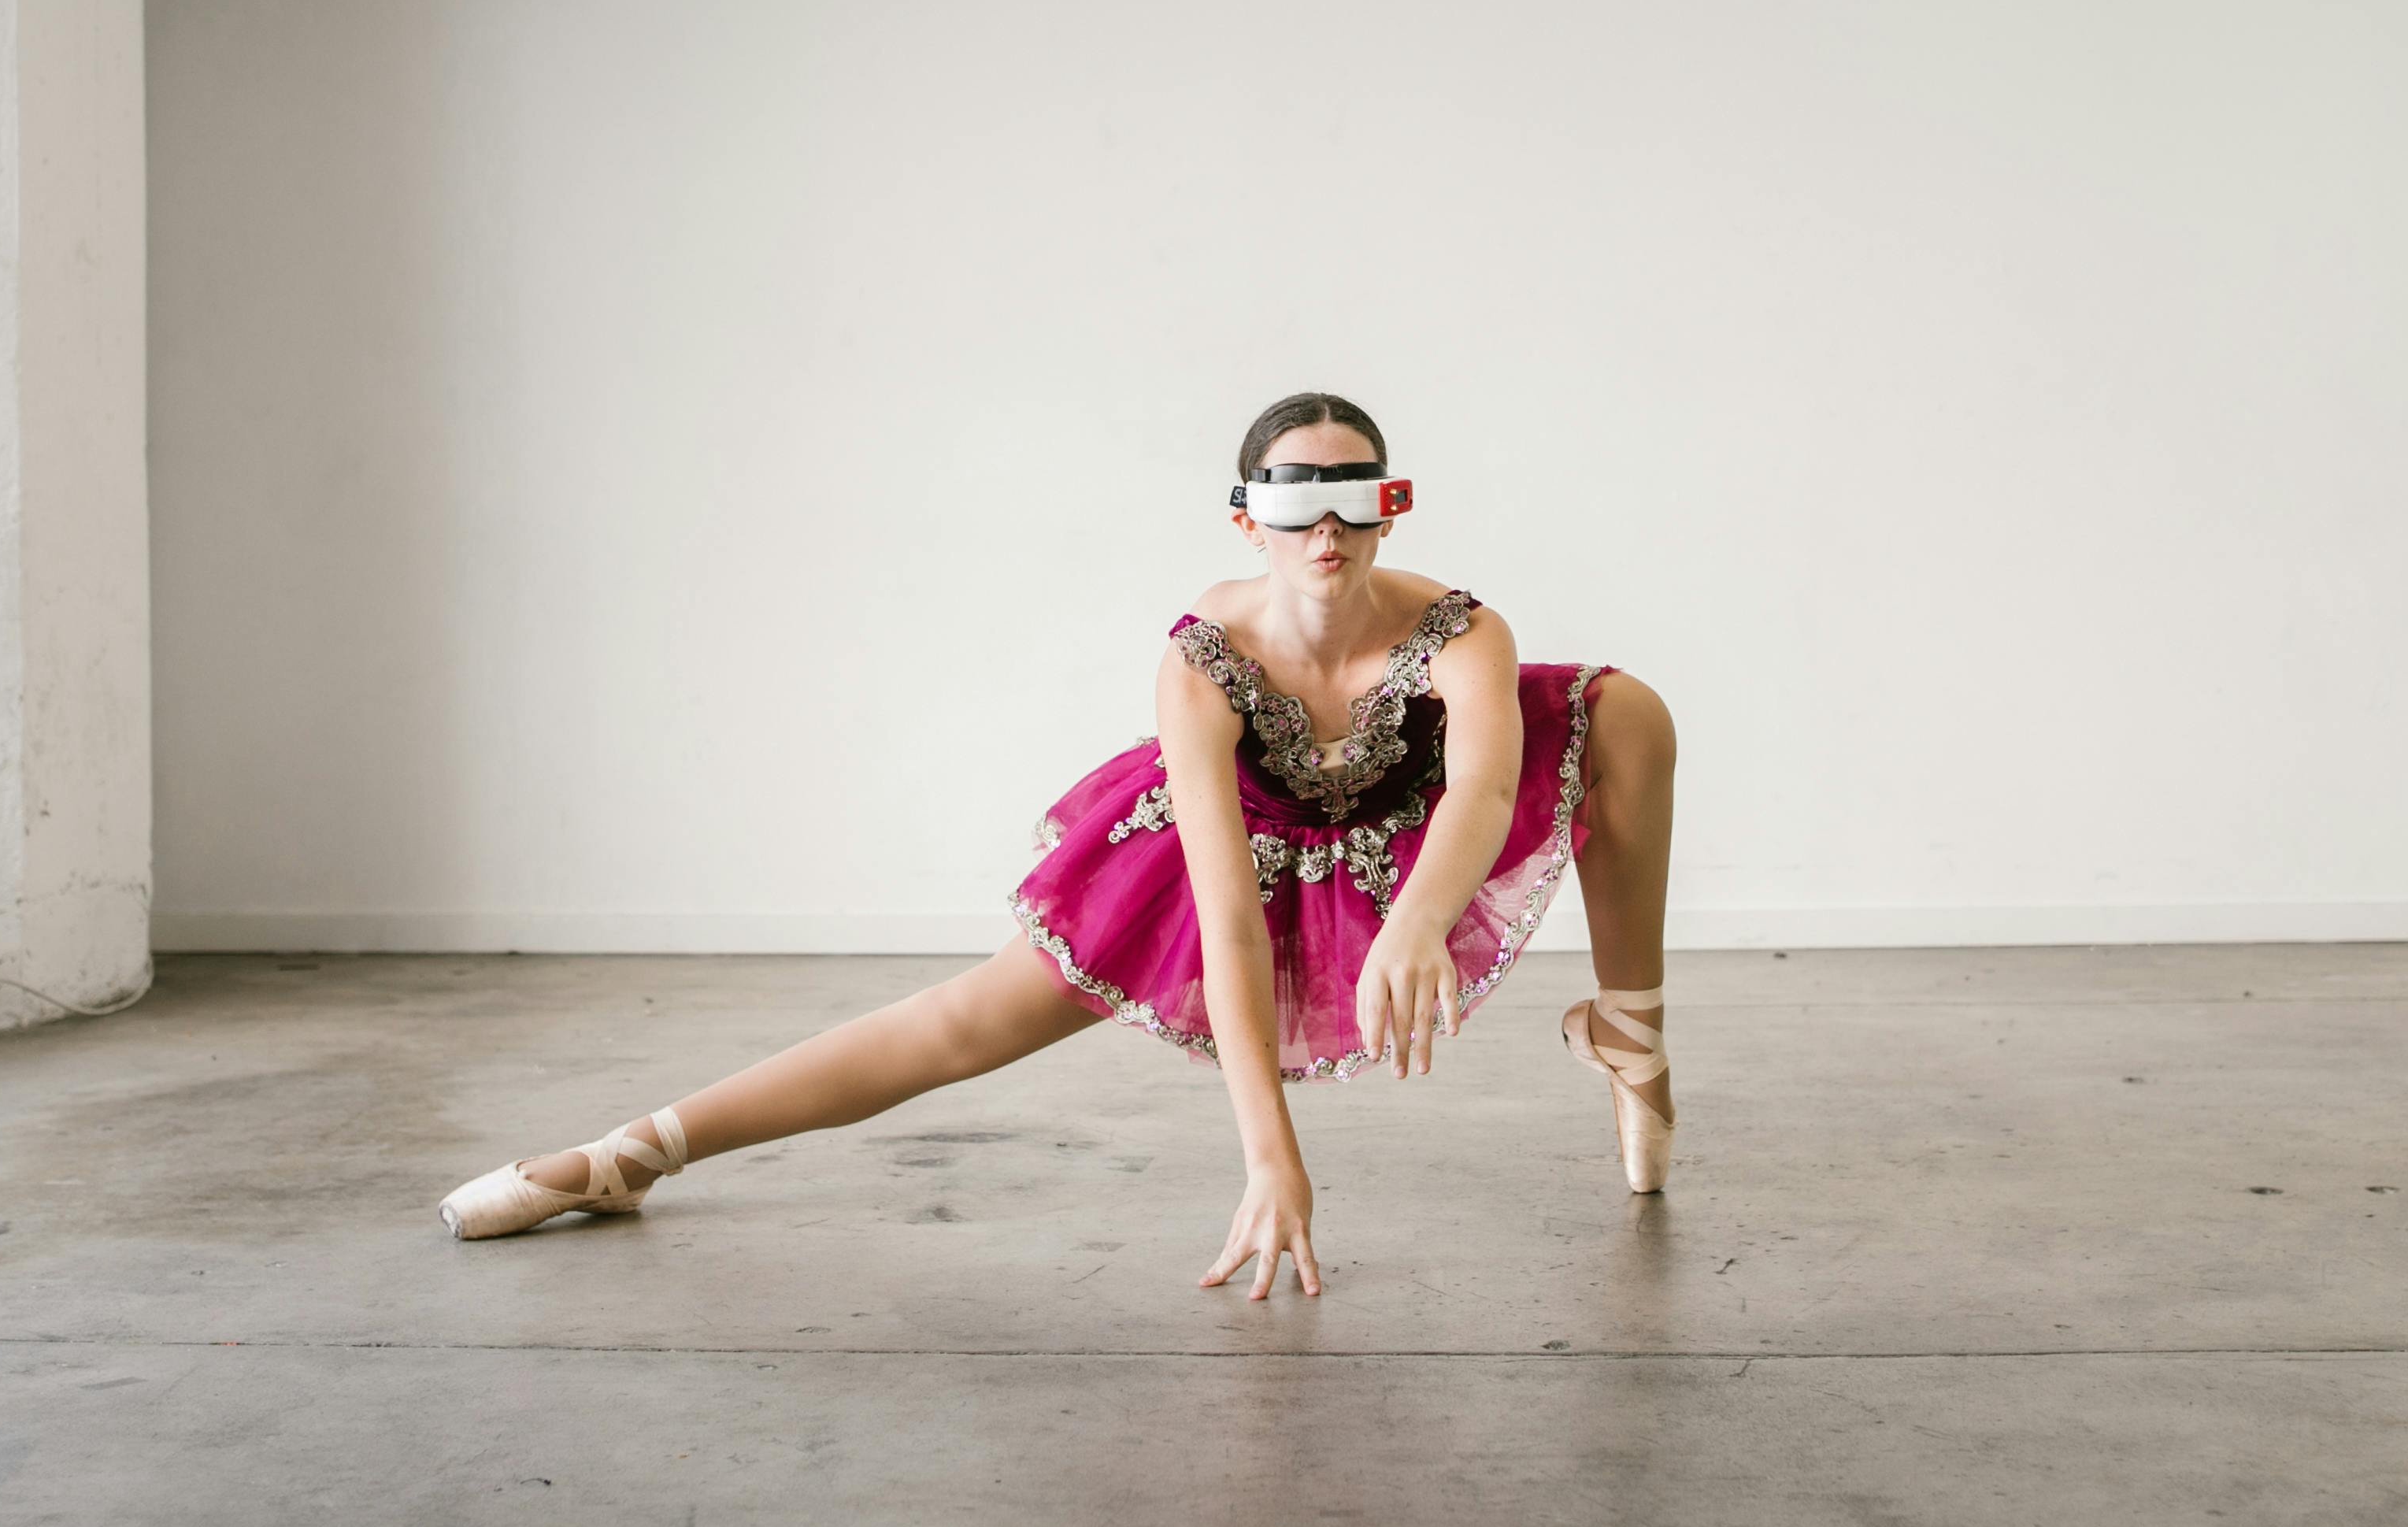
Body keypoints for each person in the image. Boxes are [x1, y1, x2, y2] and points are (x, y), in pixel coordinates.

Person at [437, 391, 1679, 1299]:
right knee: (968, 1021)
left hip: (1406, 830)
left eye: (1357, 498)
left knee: (1625, 714)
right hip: (1242, 845)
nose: (1328, 532)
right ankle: (632, 1155)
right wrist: (1271, 1154)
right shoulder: (1200, 662)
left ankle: (1632, 1030)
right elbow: (1228, 919)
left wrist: (1414, 924)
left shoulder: (1463, 630)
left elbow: (1484, 786)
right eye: (1298, 502)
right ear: (1248, 521)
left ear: (1390, 510)